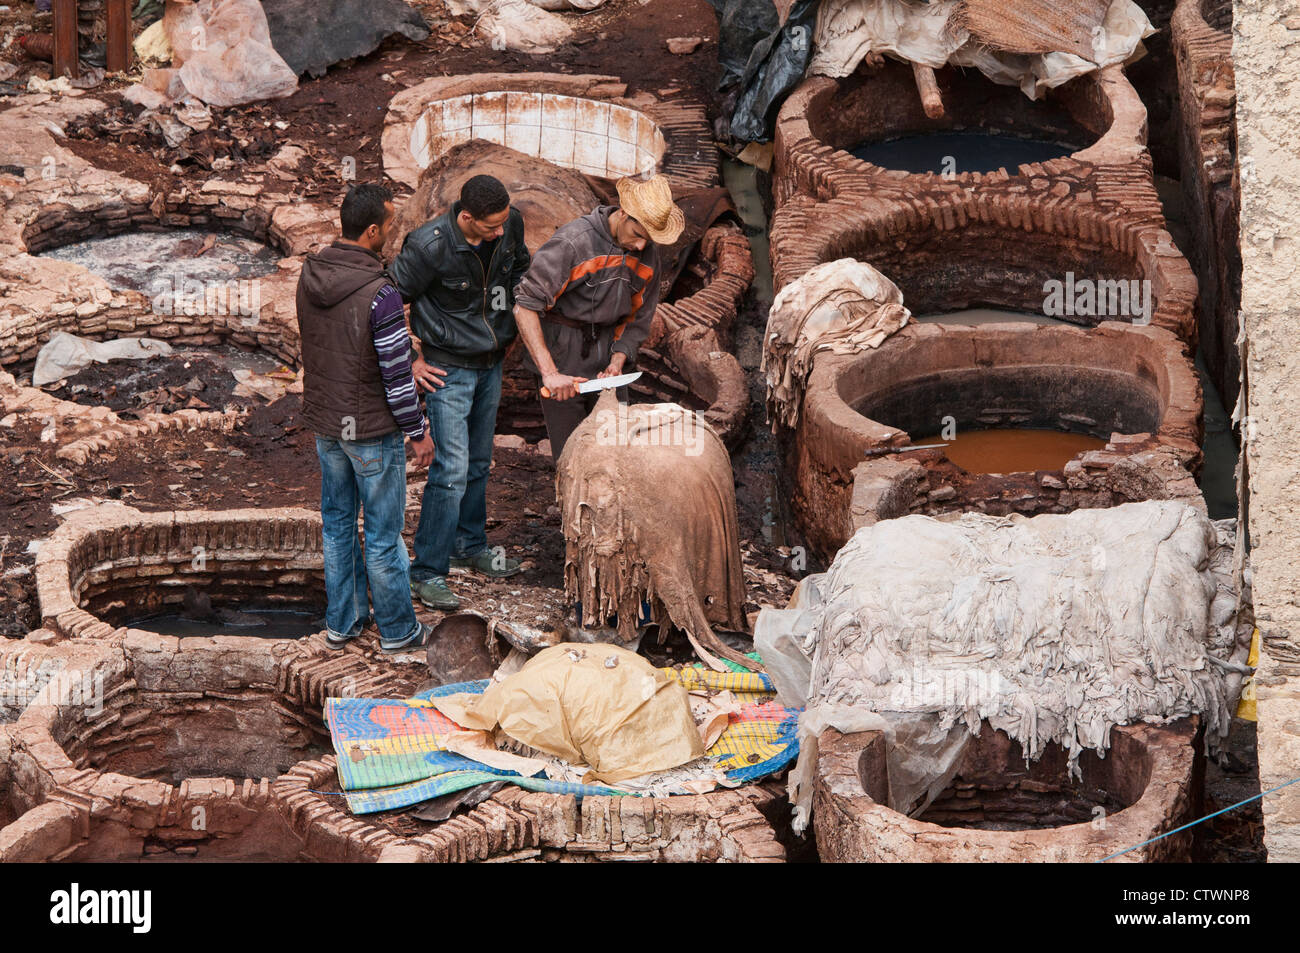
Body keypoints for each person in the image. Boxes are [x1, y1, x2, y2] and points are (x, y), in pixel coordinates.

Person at [296, 183, 434, 655]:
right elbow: (397, 377)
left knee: (336, 524)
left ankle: (345, 622)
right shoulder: (381, 295)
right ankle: (398, 631)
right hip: (372, 432)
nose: (392, 235)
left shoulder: (310, 274)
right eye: (390, 226)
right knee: (381, 534)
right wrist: (417, 431)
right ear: (373, 230)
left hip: (328, 425)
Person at [388, 175, 531, 611]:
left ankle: (469, 546)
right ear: (466, 217)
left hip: (491, 362)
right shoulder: (429, 246)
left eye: (504, 223)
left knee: (479, 462)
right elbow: (388, 298)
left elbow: (522, 269)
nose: (500, 232)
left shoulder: (511, 226)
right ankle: (427, 571)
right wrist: (412, 356)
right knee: (449, 470)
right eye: (491, 226)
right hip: (447, 368)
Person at [512, 174, 684, 461]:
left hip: (608, 357)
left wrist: (618, 359)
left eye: (650, 240)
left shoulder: (647, 254)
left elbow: (639, 316)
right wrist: (551, 373)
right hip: (563, 353)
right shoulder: (573, 243)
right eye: (639, 235)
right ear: (624, 213)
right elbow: (525, 307)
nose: (642, 247)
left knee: (614, 448)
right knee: (571, 454)